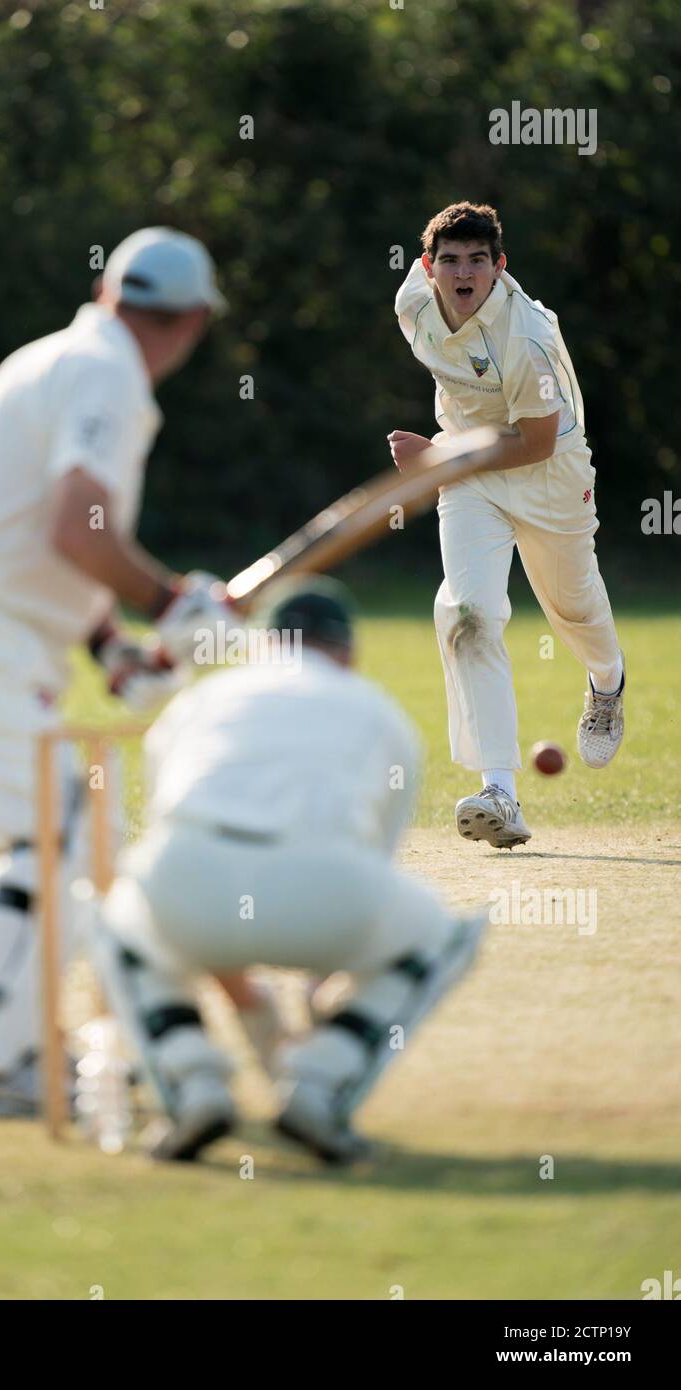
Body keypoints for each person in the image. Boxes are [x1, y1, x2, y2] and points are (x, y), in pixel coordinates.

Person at [0, 226, 238, 1116]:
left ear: (114, 293)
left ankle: (19, 1055)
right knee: (64, 831)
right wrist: (170, 603)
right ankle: (9, 1064)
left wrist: (111, 645)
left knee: (56, 835)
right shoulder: (106, 374)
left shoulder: (60, 359)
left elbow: (51, 538)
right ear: (192, 322)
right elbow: (77, 528)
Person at [92, 579, 485, 1164]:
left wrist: (239, 984)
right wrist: (325, 978)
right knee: (448, 935)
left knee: (118, 921)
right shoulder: (381, 712)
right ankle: (320, 1086)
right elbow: (374, 862)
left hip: (189, 882)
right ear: (347, 653)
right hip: (327, 895)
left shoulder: (203, 698)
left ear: (263, 644)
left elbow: (170, 829)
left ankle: (194, 1084)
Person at [391, 202, 625, 849]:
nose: (463, 274)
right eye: (449, 261)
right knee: (469, 613)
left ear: (499, 267)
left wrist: (436, 458)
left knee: (572, 608)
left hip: (549, 469)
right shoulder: (414, 304)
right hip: (471, 470)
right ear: (427, 267)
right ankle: (500, 790)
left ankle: (607, 681)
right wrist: (451, 458)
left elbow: (538, 442)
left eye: (476, 261)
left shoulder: (523, 338)